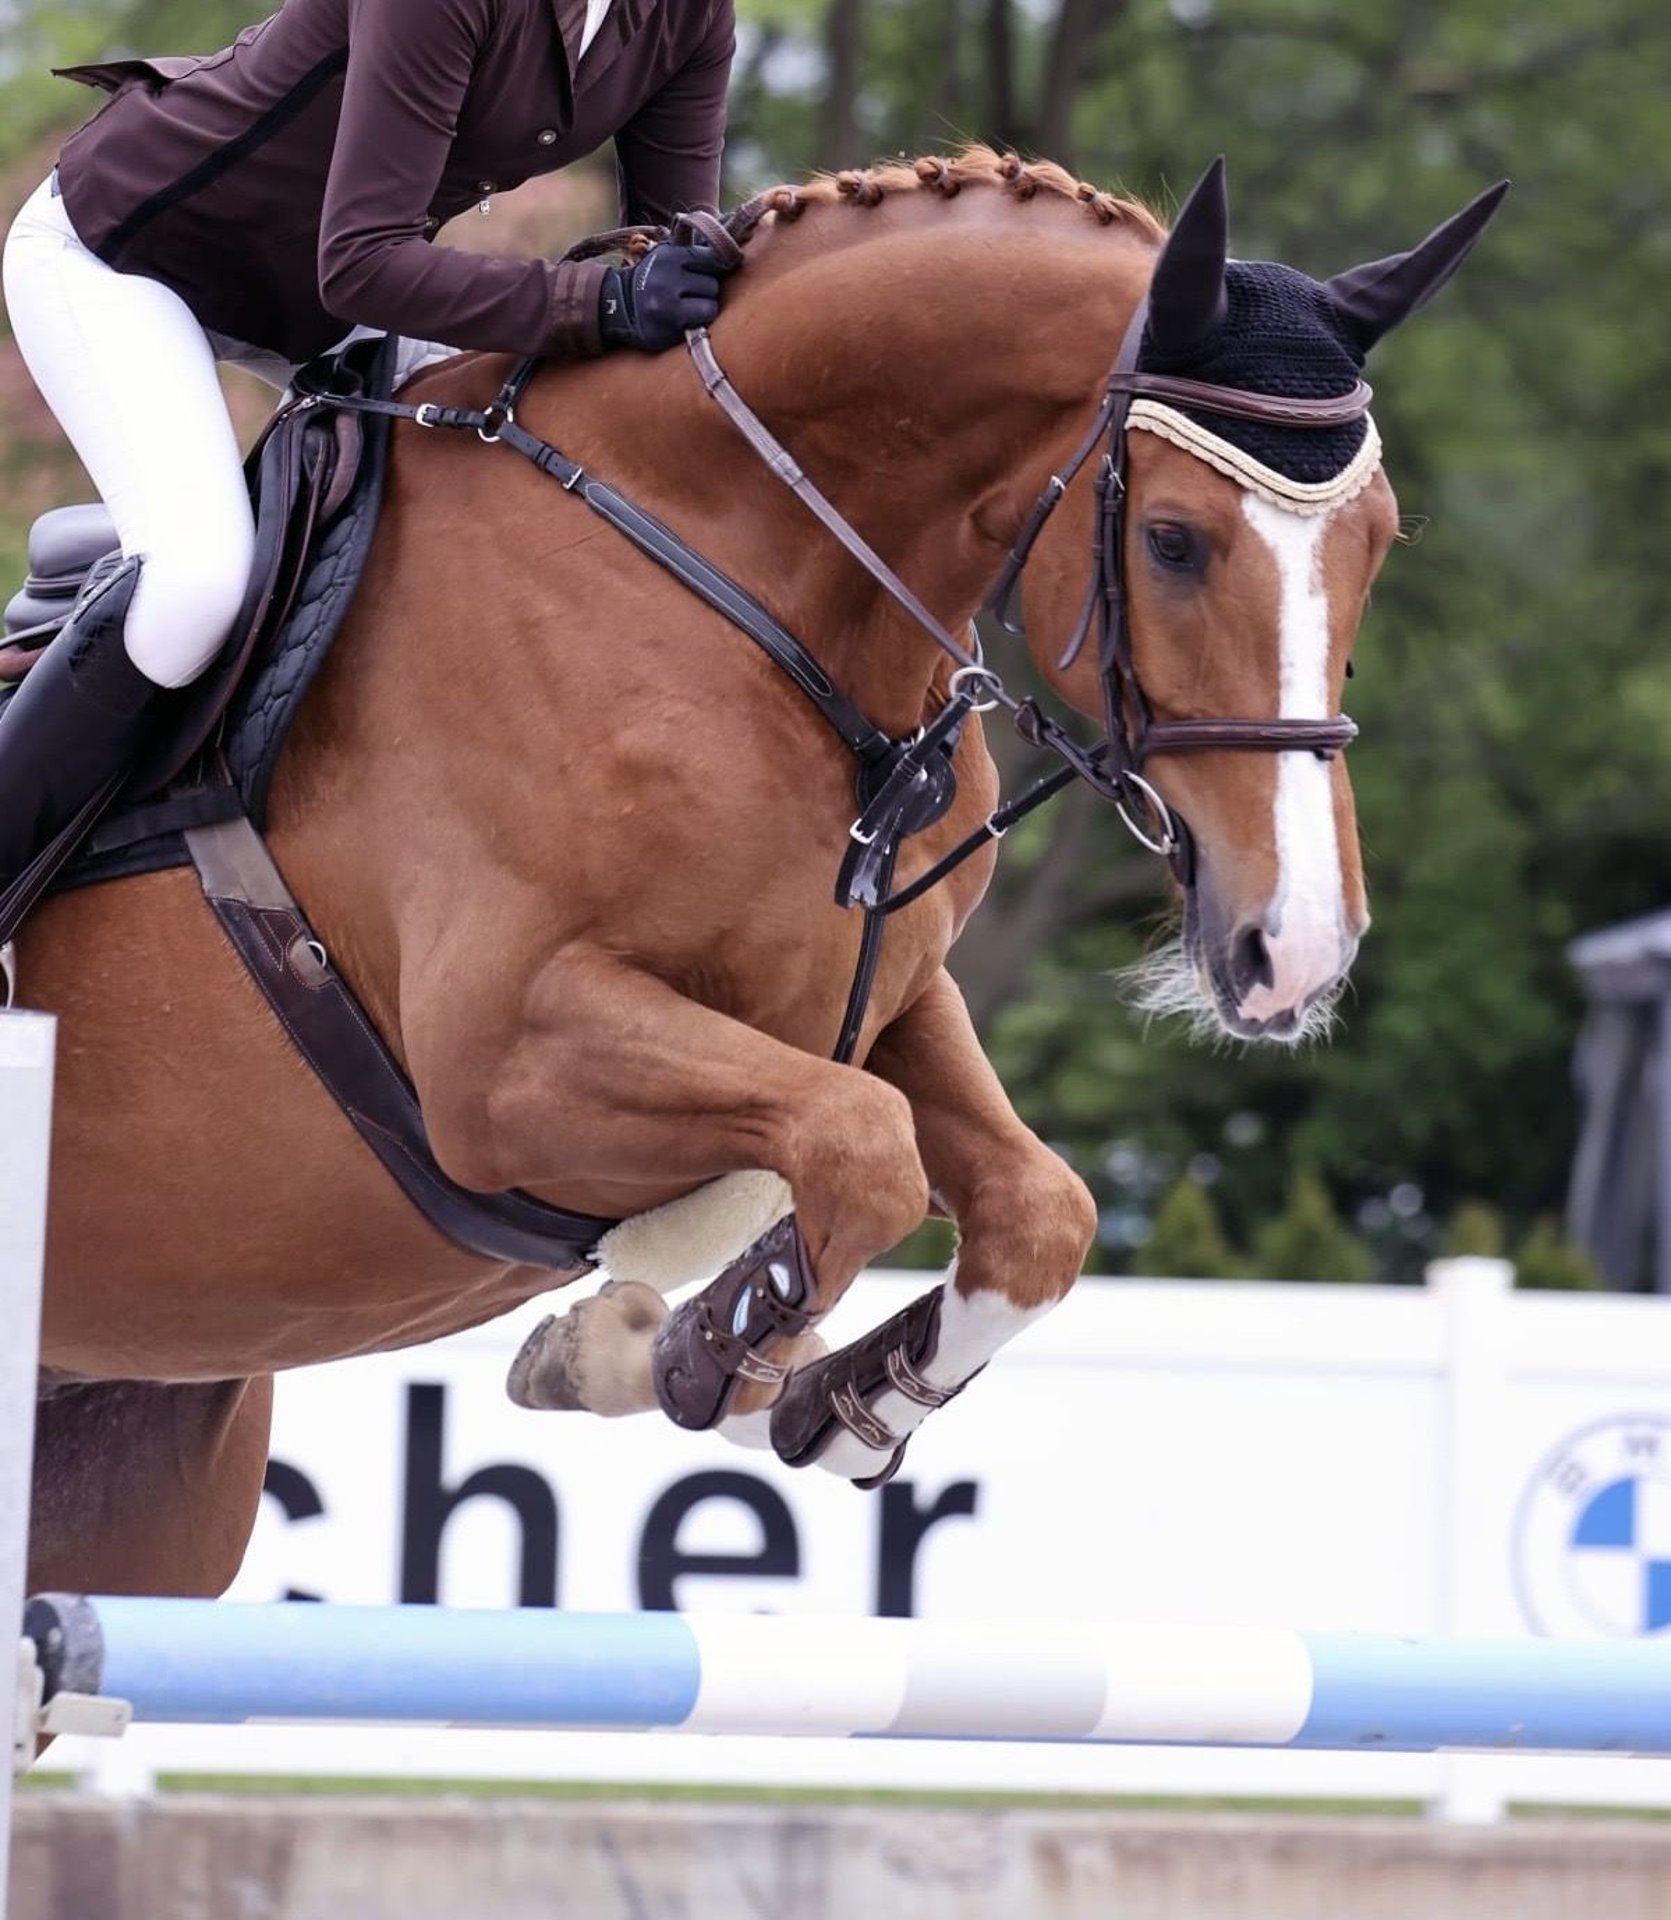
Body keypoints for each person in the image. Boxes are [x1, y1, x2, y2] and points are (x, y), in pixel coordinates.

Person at [0, 0, 735, 893]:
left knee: (520, 512)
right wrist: (600, 303)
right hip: (129, 254)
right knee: (196, 588)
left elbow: (670, 249)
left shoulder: (689, 15)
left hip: (316, 305)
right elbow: (363, 261)